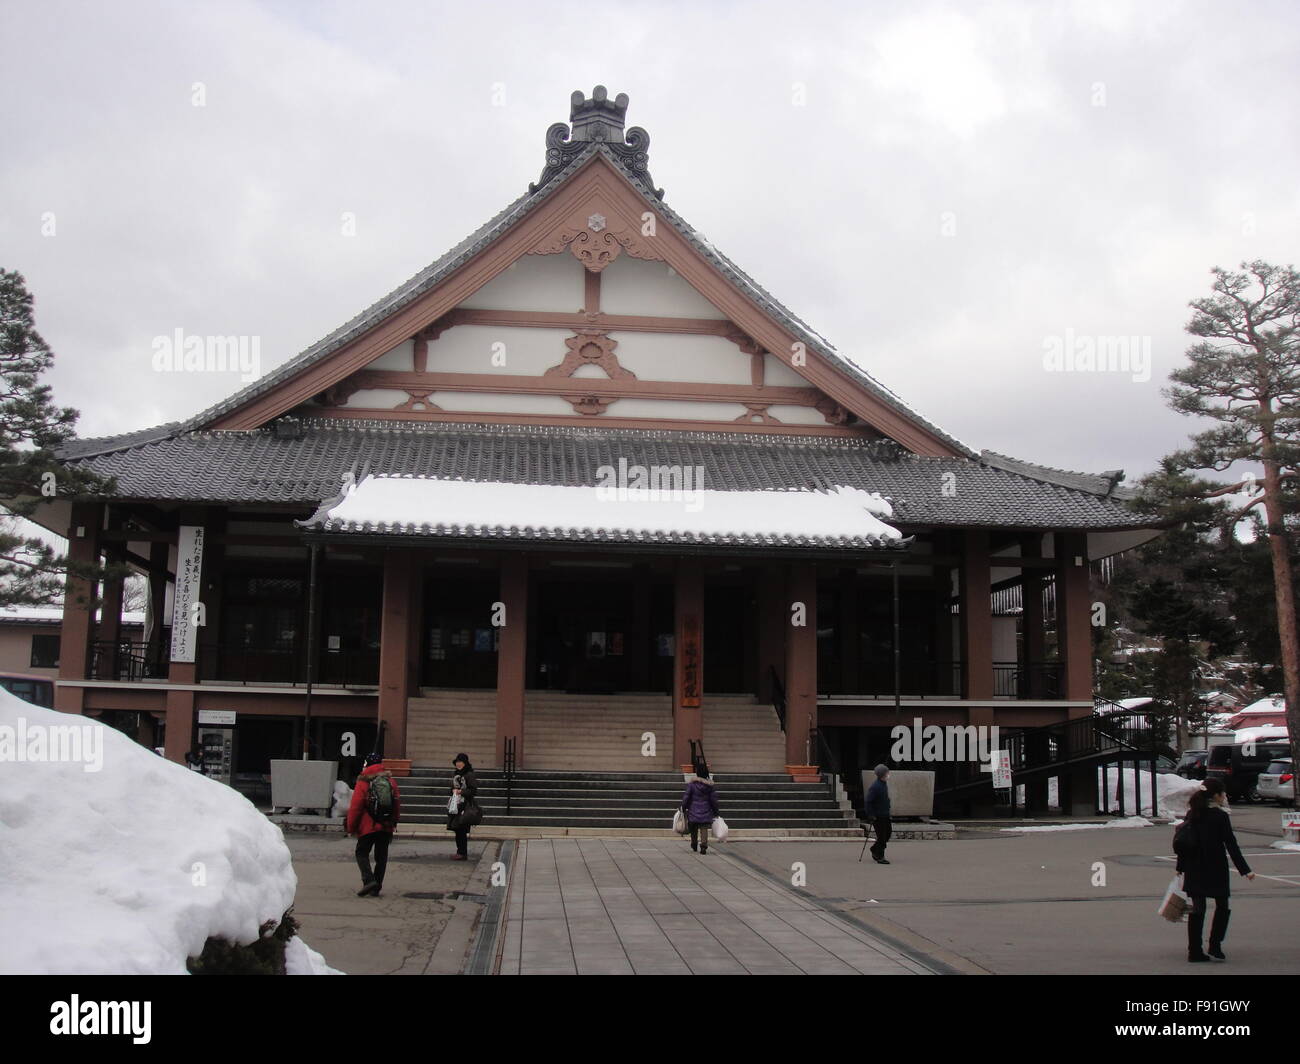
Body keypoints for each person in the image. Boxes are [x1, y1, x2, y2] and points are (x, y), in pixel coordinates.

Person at [1176, 777, 1254, 962]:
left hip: (1194, 867)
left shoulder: (1192, 814)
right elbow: (1231, 845)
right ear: (1216, 795)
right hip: (1216, 868)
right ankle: (1215, 944)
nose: (1224, 796)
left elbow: (1184, 842)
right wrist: (1245, 870)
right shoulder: (1220, 817)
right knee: (1222, 906)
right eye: (1223, 793)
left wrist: (1180, 867)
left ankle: (1194, 951)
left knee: (1198, 909)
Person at [346, 754, 401, 897]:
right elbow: (396, 804)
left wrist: (351, 827)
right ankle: (376, 886)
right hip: (386, 826)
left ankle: (369, 880)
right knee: (381, 857)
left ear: (367, 765)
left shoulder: (363, 782)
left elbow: (356, 808)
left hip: (367, 827)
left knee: (361, 853)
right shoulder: (391, 781)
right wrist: (394, 821)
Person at [680, 766, 719, 854]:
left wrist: (683, 806)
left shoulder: (692, 785)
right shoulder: (709, 787)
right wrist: (716, 810)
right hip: (706, 810)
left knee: (693, 827)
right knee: (704, 828)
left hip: (693, 810)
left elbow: (686, 797)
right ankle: (703, 846)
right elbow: (713, 800)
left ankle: (694, 843)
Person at [447, 753, 478, 861]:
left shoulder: (469, 775)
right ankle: (460, 851)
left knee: (461, 829)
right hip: (456, 804)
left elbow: (473, 790)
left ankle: (462, 852)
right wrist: (453, 791)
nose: (458, 764)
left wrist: (461, 791)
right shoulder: (456, 775)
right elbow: (450, 787)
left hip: (464, 805)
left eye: (461, 762)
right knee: (457, 828)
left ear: (465, 763)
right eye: (457, 762)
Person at [864, 764, 892, 865]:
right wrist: (871, 815)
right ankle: (880, 855)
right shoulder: (875, 786)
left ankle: (874, 848)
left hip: (885, 814)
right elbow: (868, 801)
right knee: (882, 836)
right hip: (878, 816)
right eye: (887, 773)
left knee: (888, 833)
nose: (889, 774)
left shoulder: (884, 784)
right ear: (882, 774)